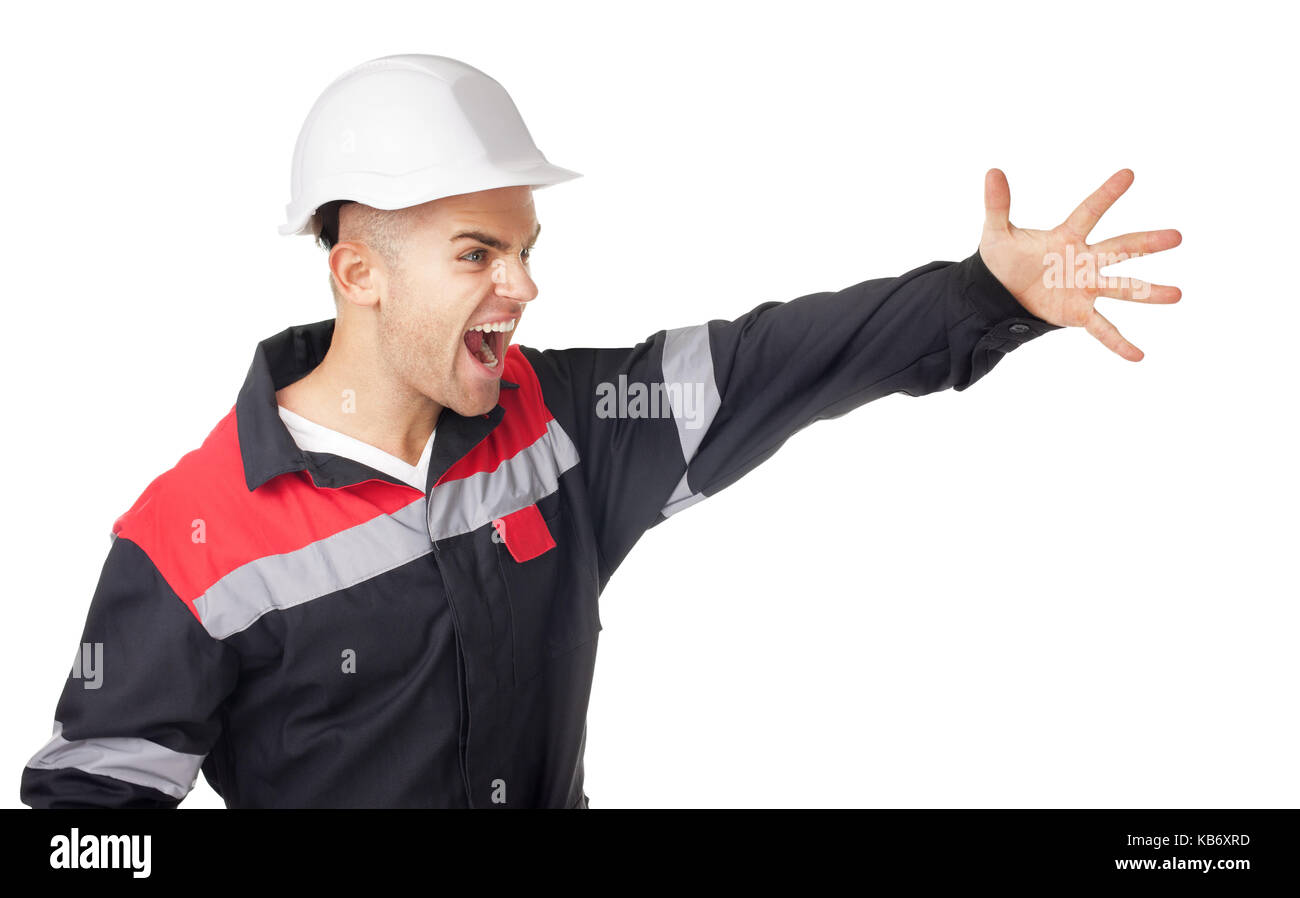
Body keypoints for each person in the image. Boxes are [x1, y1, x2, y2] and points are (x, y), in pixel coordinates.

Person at [20, 54, 1182, 808]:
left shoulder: (570, 424)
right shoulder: (190, 537)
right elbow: (84, 825)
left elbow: (783, 357)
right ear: (358, 271)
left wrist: (987, 293)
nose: (523, 287)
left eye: (526, 250)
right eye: (479, 253)